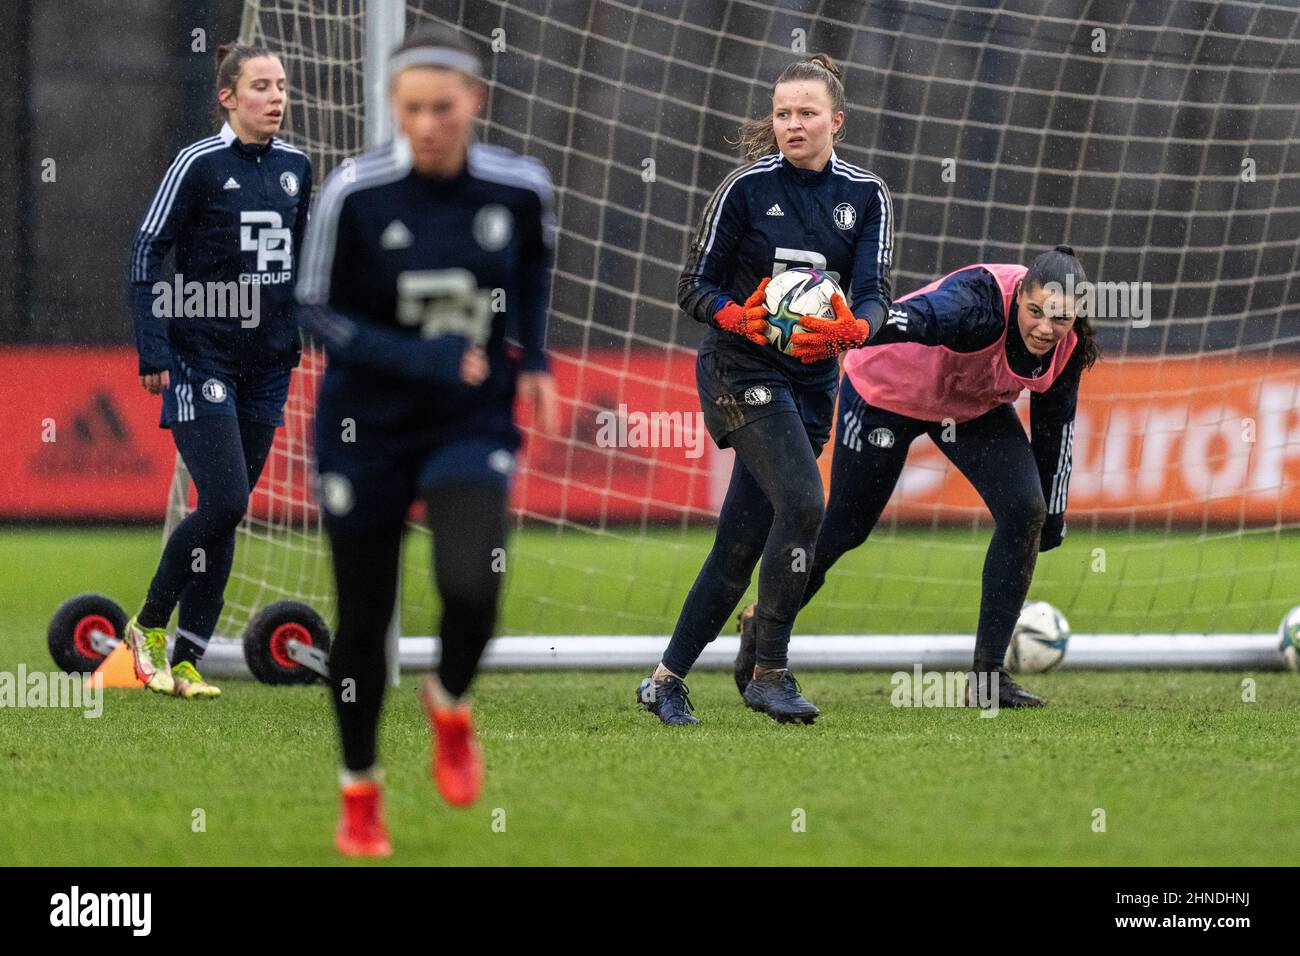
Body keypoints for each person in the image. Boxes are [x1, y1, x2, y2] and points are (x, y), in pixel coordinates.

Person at [295, 27, 558, 857]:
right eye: (411, 110)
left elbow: (533, 276)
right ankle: (360, 792)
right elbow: (313, 311)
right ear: (395, 109)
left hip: (468, 422)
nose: (428, 124)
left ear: (474, 102)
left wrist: (537, 360)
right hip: (362, 427)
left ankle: (449, 701)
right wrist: (427, 357)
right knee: (364, 622)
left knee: (474, 587)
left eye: (443, 108)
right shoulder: (354, 193)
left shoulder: (519, 188)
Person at [637, 54, 893, 725]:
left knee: (742, 543)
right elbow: (695, 285)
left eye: (807, 112)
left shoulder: (866, 196)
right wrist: (738, 315)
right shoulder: (745, 190)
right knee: (807, 503)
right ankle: (768, 670)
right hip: (738, 369)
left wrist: (852, 332)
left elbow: (872, 295)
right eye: (782, 113)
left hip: (813, 383)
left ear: (837, 120)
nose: (792, 124)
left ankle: (665, 679)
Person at [735, 246, 1100, 707]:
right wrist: (850, 329)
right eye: (1034, 312)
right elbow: (919, 316)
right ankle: (762, 627)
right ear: (1018, 295)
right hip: (885, 392)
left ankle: (988, 680)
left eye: (1060, 318)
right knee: (846, 529)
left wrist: (1054, 510)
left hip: (967, 406)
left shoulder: (1068, 347)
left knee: (1026, 510)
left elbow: (1055, 428)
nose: (1046, 329)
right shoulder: (976, 301)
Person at [124, 42, 312, 700]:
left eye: (282, 86)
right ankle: (145, 628)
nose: (277, 97)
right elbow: (149, 247)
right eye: (261, 86)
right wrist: (152, 348)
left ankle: (187, 659)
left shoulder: (297, 168)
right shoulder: (197, 164)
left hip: (267, 365)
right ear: (228, 98)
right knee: (227, 499)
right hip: (200, 354)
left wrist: (309, 332)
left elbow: (301, 266)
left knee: (225, 513)